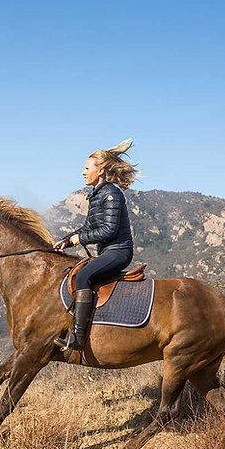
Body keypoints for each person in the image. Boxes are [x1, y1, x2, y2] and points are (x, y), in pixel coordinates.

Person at [53, 139, 137, 351]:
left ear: (100, 171)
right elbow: (87, 226)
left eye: (86, 168)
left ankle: (78, 337)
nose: (83, 172)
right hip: (107, 251)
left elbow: (108, 230)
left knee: (83, 276)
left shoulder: (111, 194)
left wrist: (79, 239)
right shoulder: (97, 195)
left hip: (119, 252)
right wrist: (66, 240)